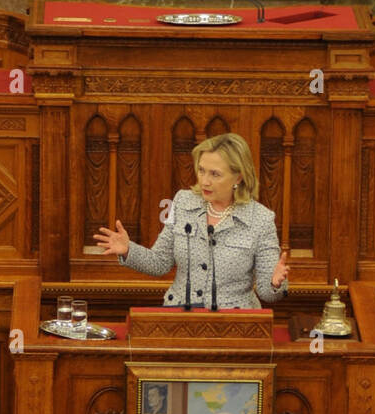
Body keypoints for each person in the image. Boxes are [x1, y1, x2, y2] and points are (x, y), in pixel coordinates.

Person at [93, 132, 290, 309]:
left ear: (238, 178)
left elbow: (267, 292)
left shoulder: (261, 219)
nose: (204, 180)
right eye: (202, 170)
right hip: (180, 315)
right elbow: (160, 262)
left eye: (215, 174)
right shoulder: (182, 202)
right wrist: (129, 250)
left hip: (234, 323)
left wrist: (276, 282)